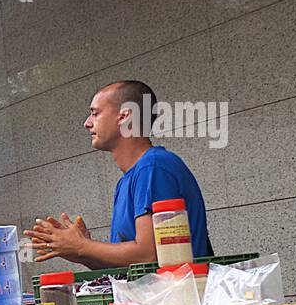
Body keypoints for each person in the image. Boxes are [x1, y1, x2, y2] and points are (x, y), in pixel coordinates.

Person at [25, 80, 212, 266]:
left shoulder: (154, 167)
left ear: (124, 117)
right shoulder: (128, 180)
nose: (87, 123)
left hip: (179, 294)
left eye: (95, 113)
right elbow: (130, 267)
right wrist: (80, 252)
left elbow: (148, 255)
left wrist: (83, 246)